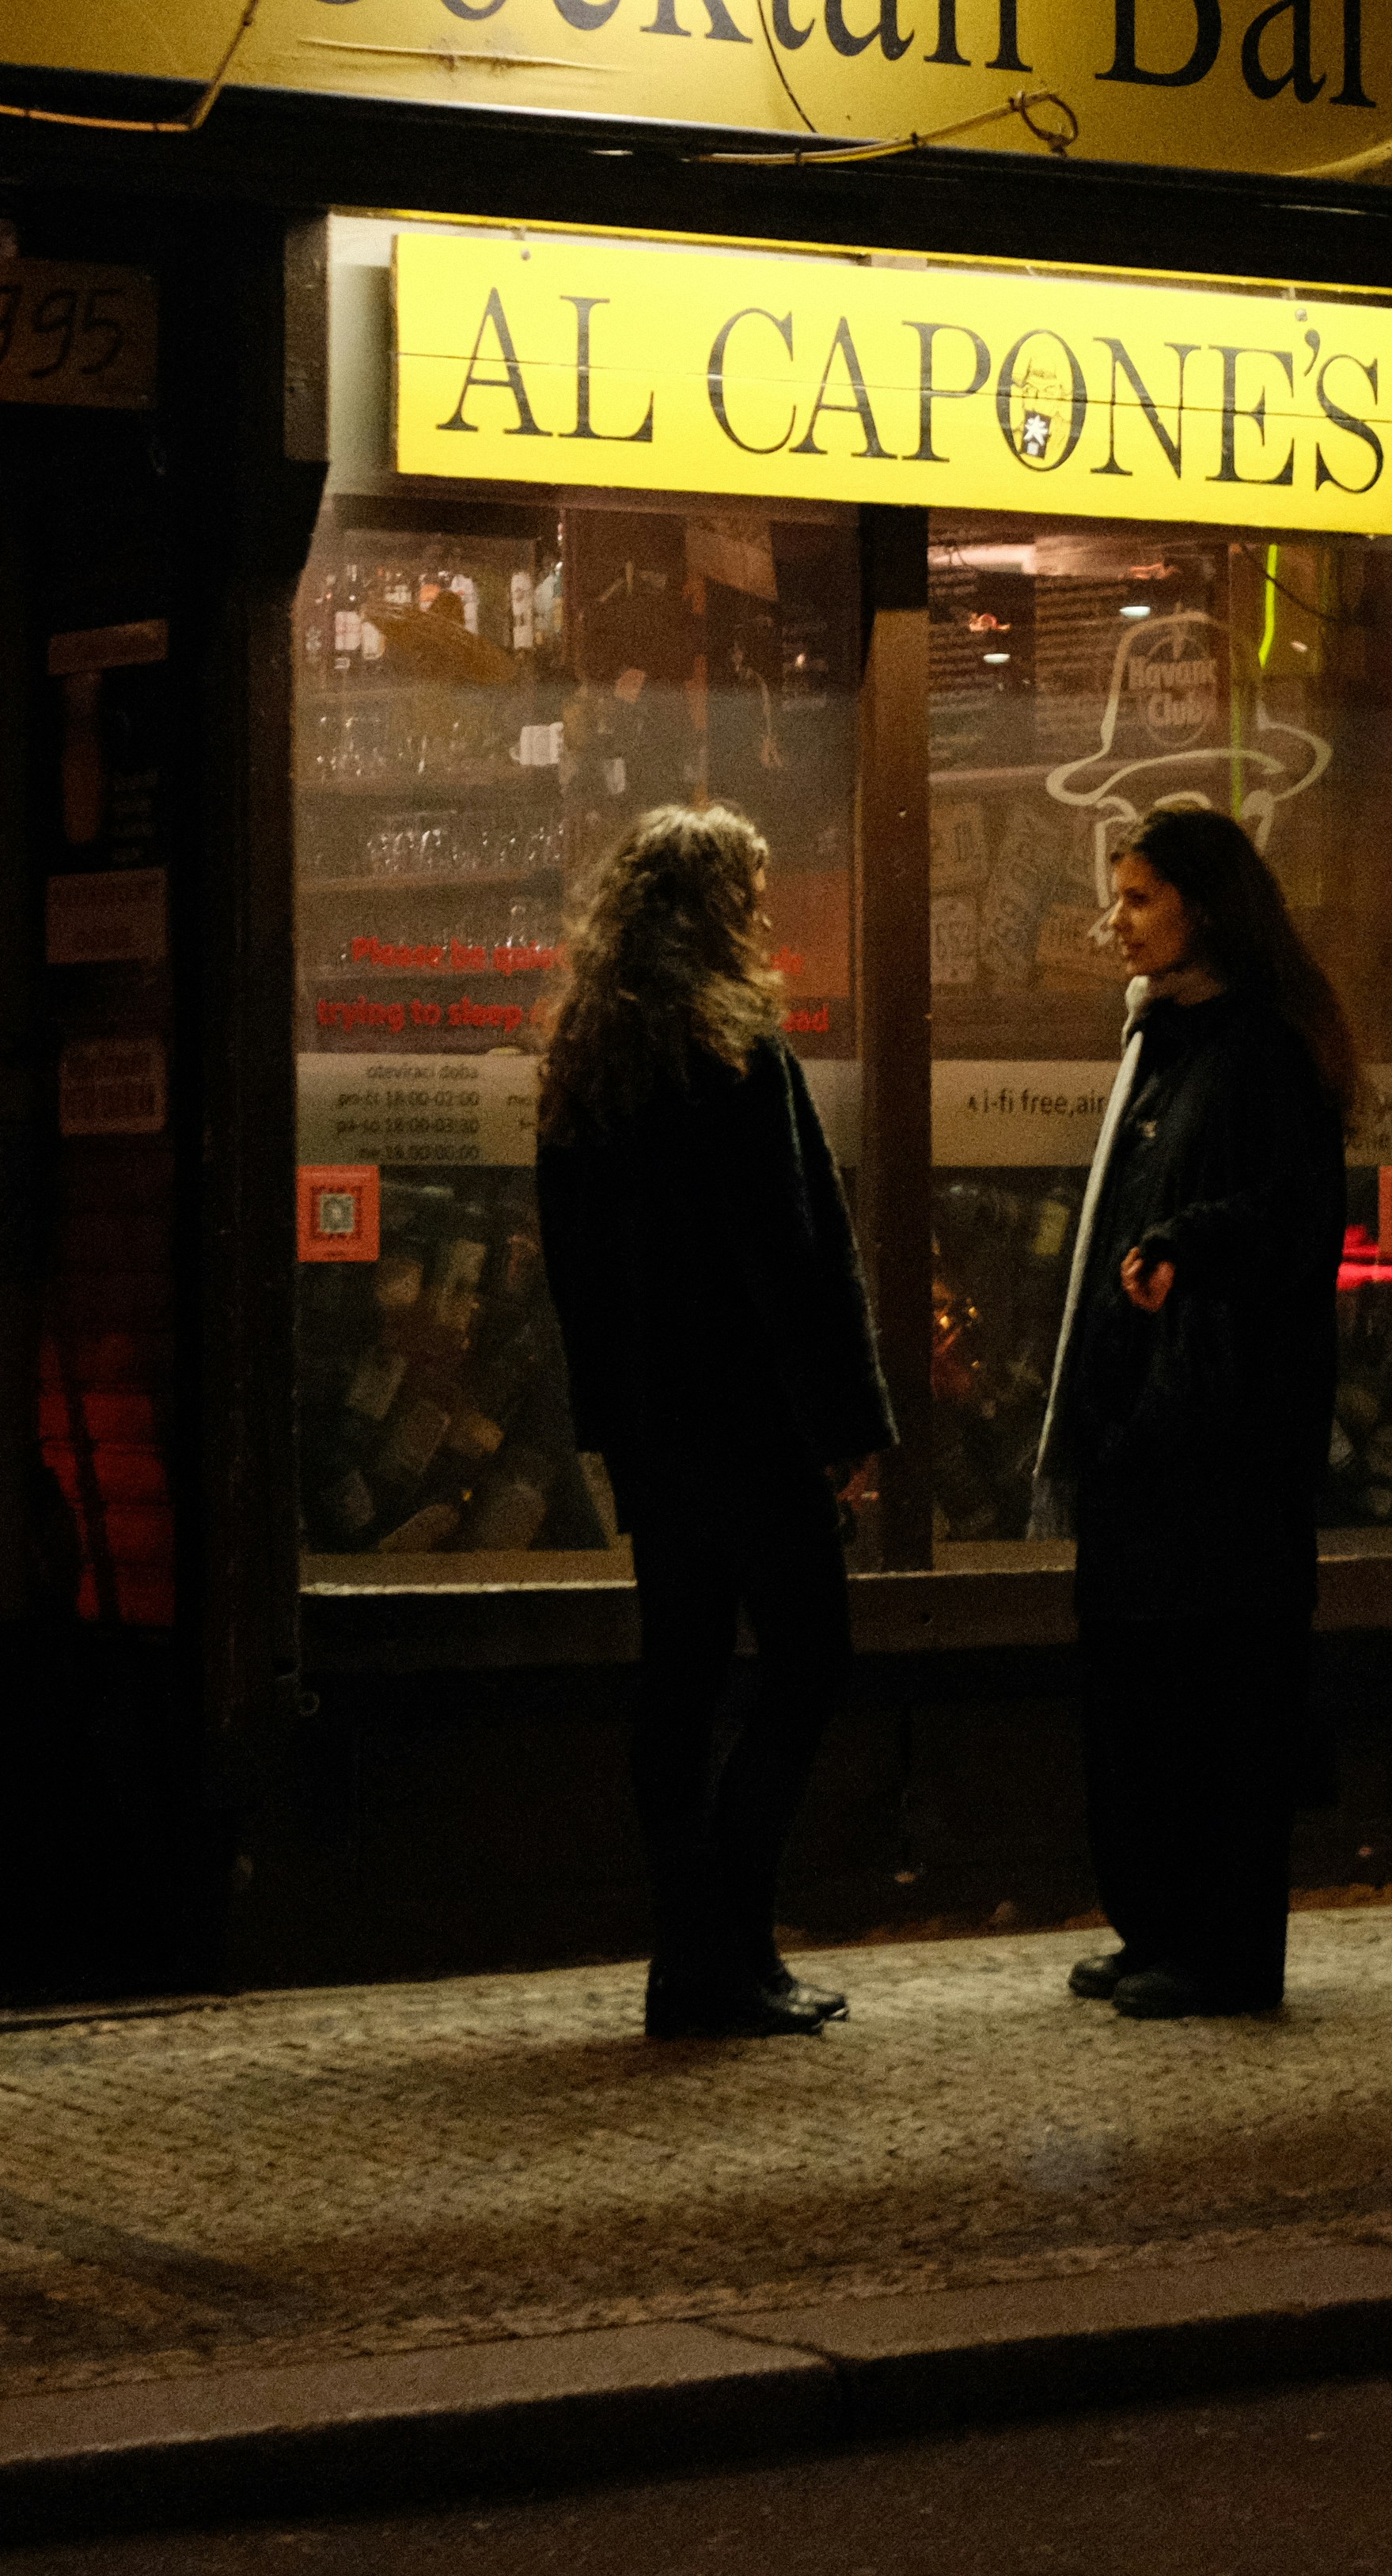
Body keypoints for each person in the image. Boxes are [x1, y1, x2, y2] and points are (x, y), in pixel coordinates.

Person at [531, 803, 891, 2041]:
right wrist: (844, 1422)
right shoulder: (741, 1057)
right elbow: (798, 1257)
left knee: (678, 1678)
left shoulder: (587, 1066)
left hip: (654, 1428)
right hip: (753, 1419)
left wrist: (610, 1422)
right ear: (720, 914)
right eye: (751, 896)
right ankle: (729, 1943)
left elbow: (574, 1273)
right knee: (808, 1662)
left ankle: (692, 1956)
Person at [1037, 805, 1352, 2022]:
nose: (1114, 922)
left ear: (1204, 909)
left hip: (1221, 1449)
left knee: (1216, 1699)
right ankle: (1157, 1924)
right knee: (1137, 1693)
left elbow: (1288, 1223)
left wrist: (1184, 1248)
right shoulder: (1162, 1041)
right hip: (1145, 1436)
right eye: (1115, 899)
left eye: (1139, 900)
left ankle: (1224, 1951)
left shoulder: (1262, 1052)